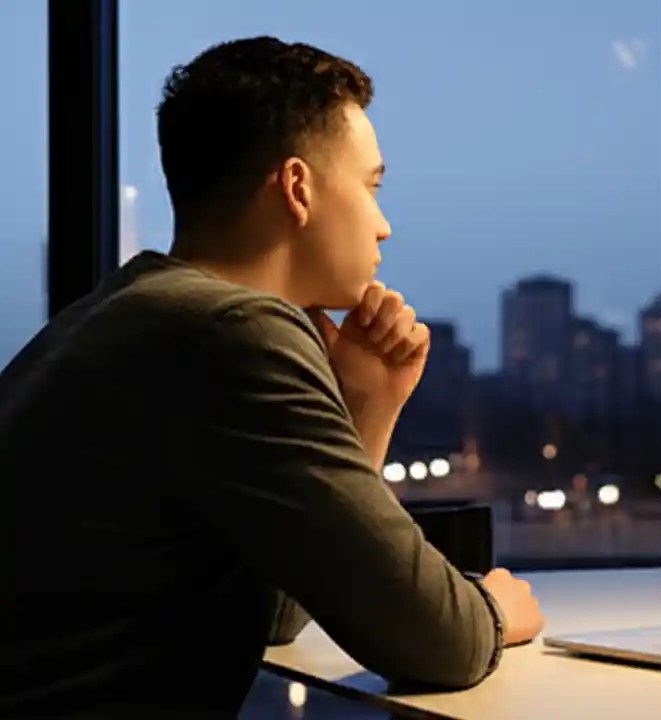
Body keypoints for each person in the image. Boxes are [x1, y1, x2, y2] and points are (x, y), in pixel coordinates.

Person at [0, 36, 543, 715]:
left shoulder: (130, 312)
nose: (384, 227)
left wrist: (365, 404)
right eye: (372, 187)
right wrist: (494, 608)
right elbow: (440, 641)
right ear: (296, 188)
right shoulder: (236, 331)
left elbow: (279, 609)